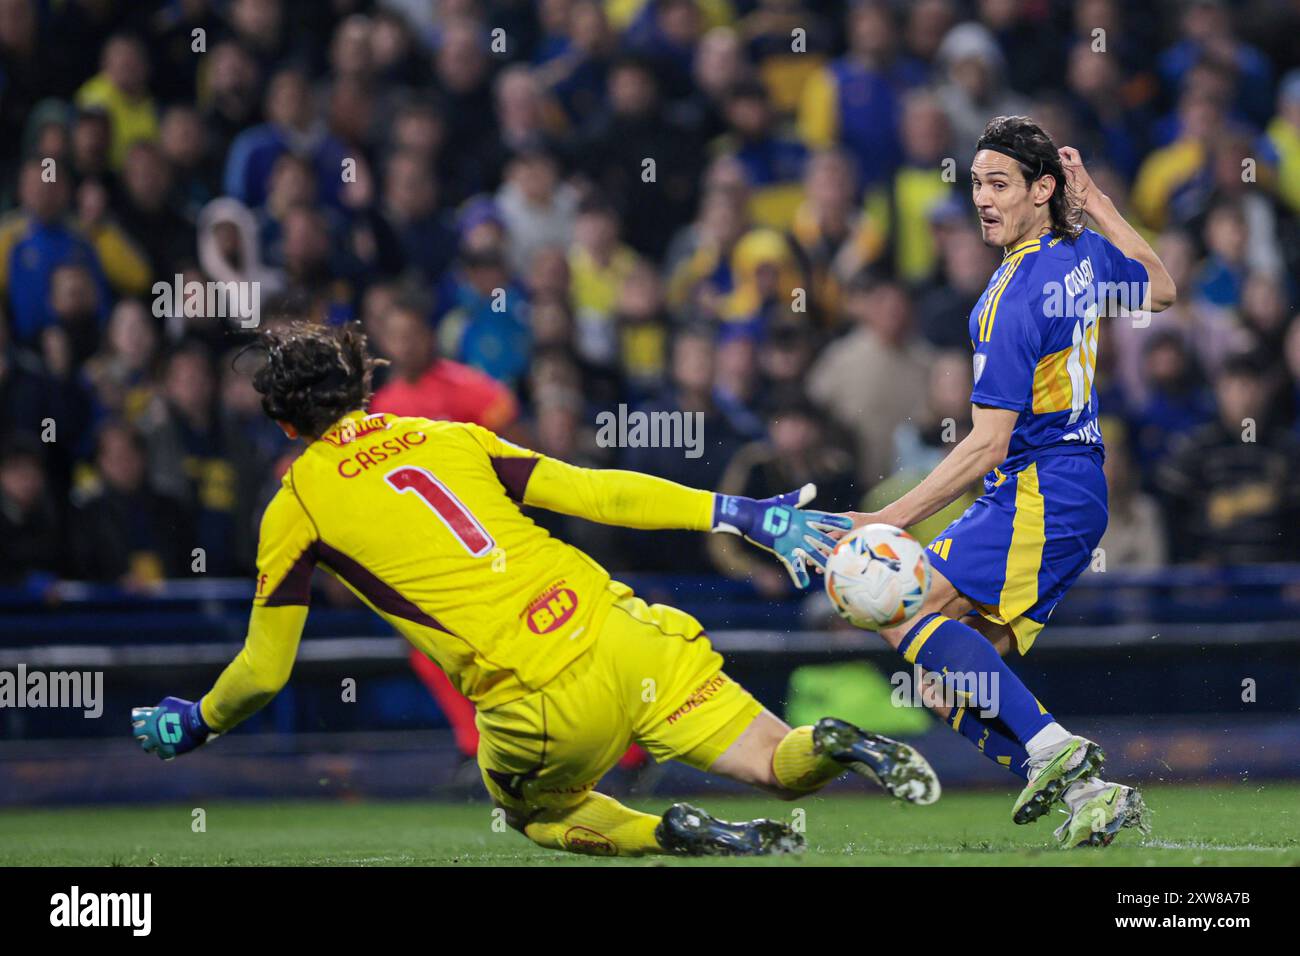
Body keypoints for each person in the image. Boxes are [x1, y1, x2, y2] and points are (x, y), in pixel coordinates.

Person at [130, 321, 941, 859]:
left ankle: (672, 835)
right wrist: (737, 513)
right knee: (778, 763)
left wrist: (195, 722)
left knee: (531, 812)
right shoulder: (447, 435)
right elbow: (595, 492)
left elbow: (265, 672)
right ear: (362, 389)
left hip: (536, 702)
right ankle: (833, 739)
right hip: (625, 630)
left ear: (282, 424)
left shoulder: (295, 501)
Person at [835, 115, 1177, 848]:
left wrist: (884, 519)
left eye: (999, 184)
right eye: (976, 185)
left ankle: (1054, 750)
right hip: (1076, 492)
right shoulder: (1080, 252)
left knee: (901, 611)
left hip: (1039, 488)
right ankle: (1090, 793)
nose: (982, 200)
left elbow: (986, 445)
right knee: (944, 678)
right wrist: (1097, 202)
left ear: (1041, 188)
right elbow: (1162, 287)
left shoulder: (1009, 297)